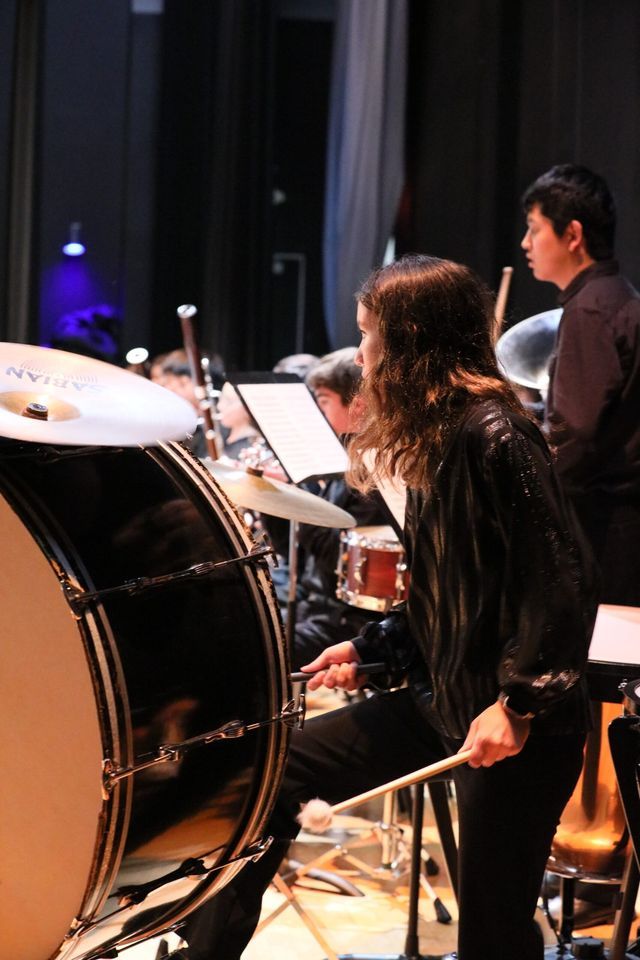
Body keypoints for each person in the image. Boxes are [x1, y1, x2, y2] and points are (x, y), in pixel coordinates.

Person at [181, 254, 595, 960]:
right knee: (271, 776)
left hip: (515, 725)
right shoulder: (436, 439)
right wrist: (374, 649)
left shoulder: (497, 436)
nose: (363, 355)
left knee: (492, 936)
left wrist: (519, 706)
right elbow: (452, 592)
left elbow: (563, 582)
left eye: (370, 335)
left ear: (409, 341)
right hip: (442, 703)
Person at [521, 164, 640, 605]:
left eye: (534, 229)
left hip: (606, 531)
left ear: (572, 235)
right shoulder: (616, 295)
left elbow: (574, 436)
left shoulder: (590, 309)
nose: (525, 243)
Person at [269, 347, 390, 669]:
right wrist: (272, 499)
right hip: (311, 603)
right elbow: (291, 551)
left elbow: (341, 565)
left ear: (359, 406)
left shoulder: (372, 477)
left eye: (323, 401)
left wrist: (296, 502)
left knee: (260, 646)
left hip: (347, 619)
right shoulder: (335, 463)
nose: (316, 413)